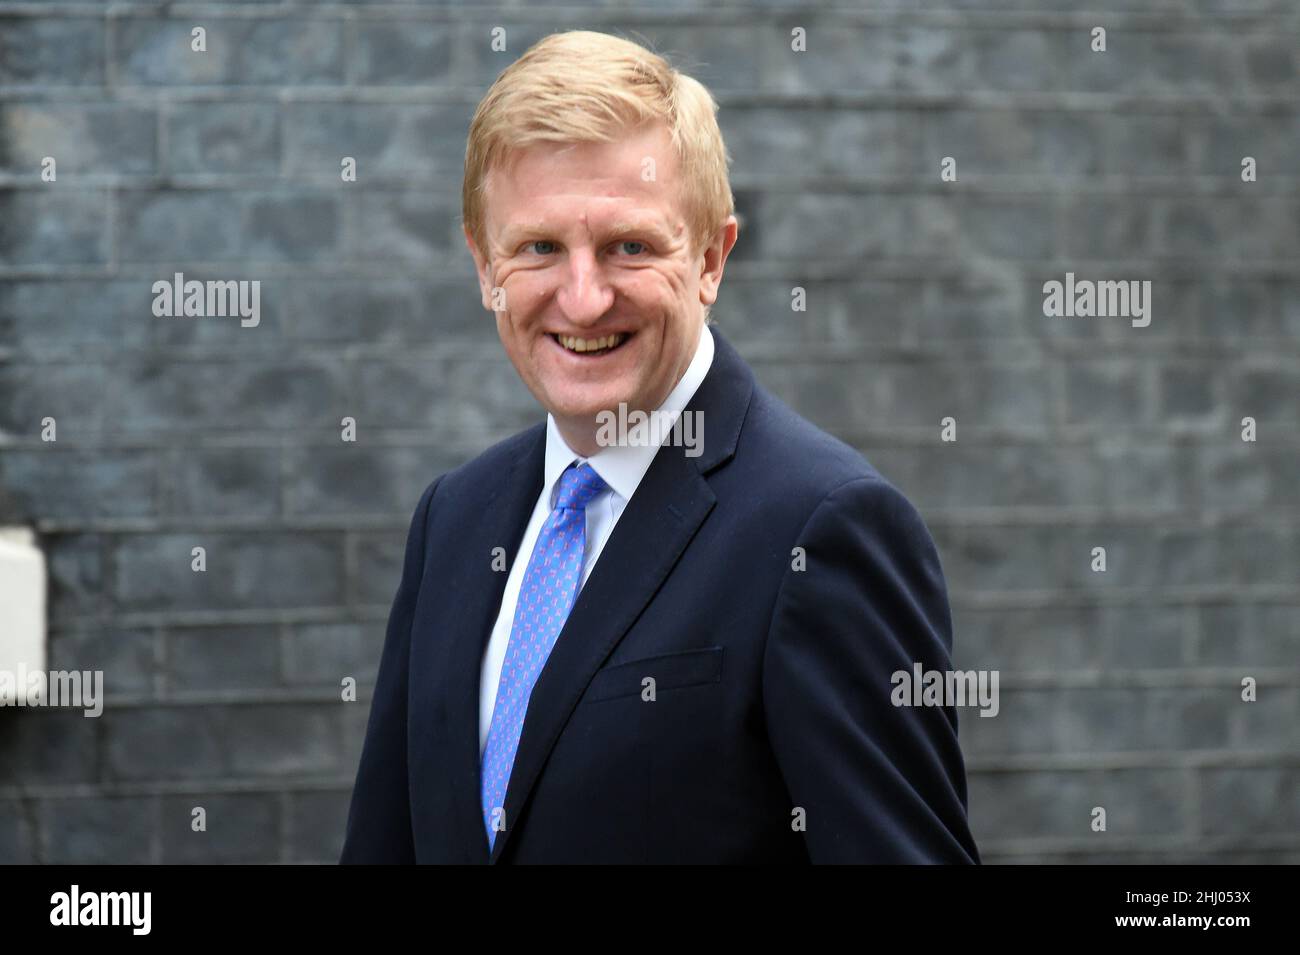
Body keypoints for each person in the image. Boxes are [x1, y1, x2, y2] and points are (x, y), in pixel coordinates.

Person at [340, 29, 979, 864]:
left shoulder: (822, 529)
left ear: (712, 257)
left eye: (628, 247)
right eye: (538, 248)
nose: (582, 296)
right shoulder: (454, 518)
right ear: (483, 264)